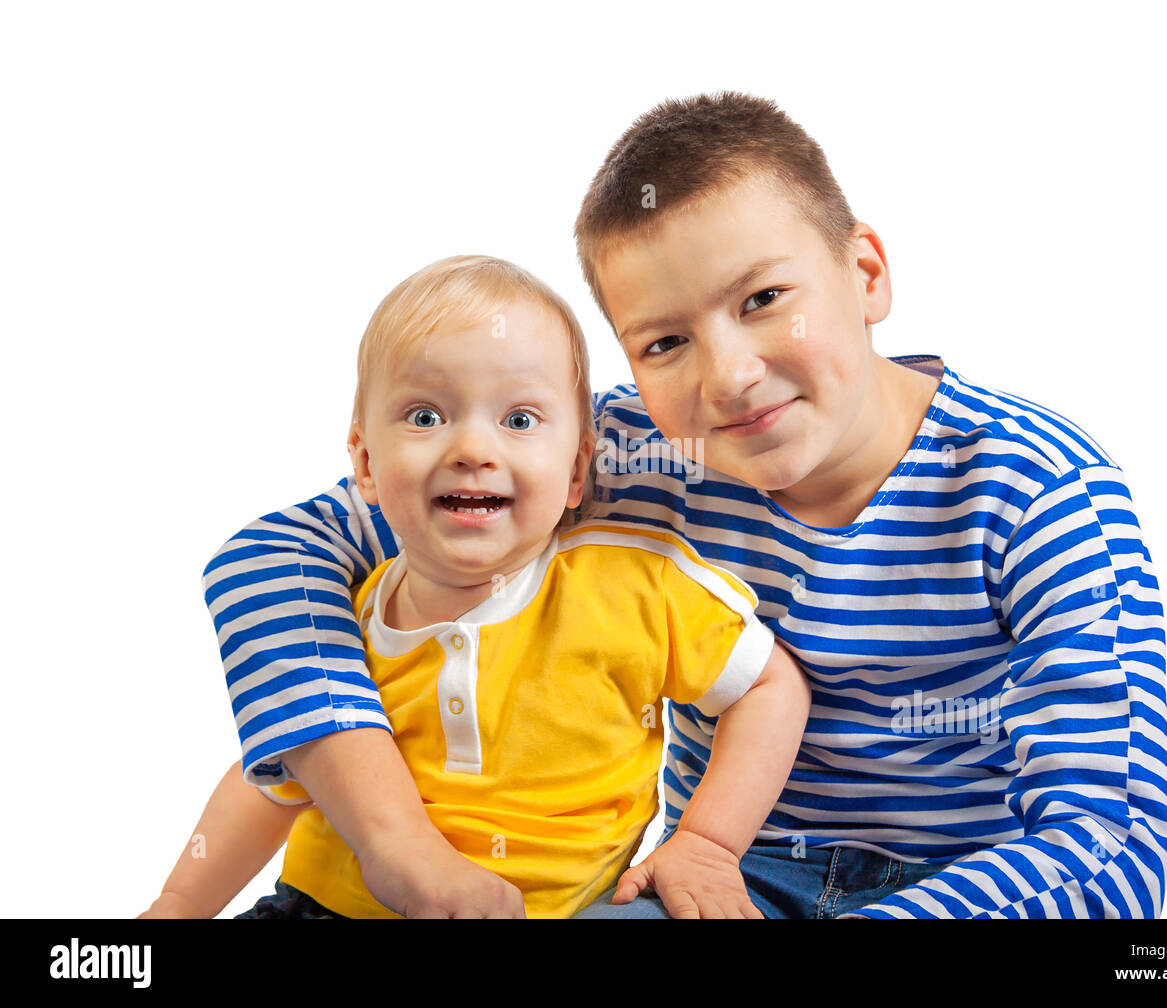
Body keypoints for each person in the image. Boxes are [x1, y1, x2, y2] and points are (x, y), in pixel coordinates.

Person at [195, 92, 1167, 919]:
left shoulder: (1044, 492)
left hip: (973, 890)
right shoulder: (627, 453)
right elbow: (276, 557)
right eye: (663, 343)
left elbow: (1108, 839)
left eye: (761, 299)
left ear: (865, 273)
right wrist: (387, 830)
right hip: (722, 882)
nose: (731, 378)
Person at [139, 255, 810, 919]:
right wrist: (177, 905)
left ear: (578, 472)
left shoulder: (635, 587)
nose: (472, 448)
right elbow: (273, 780)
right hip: (317, 906)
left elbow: (768, 687)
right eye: (426, 417)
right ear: (366, 466)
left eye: (519, 420)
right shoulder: (350, 618)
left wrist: (708, 841)